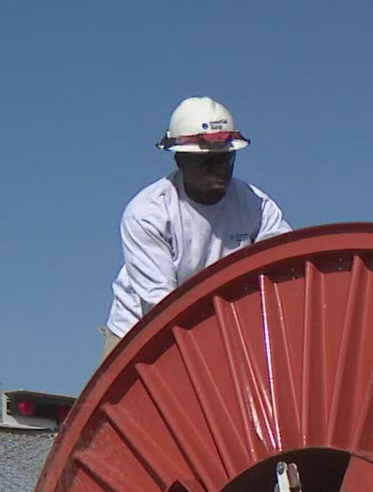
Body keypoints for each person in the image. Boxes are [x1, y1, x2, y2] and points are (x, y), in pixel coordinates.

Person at [103, 97, 291, 355]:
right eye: (208, 161)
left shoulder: (255, 205)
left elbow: (283, 267)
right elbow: (162, 305)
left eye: (226, 158)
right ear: (181, 161)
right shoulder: (148, 213)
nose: (220, 169)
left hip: (228, 327)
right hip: (141, 331)